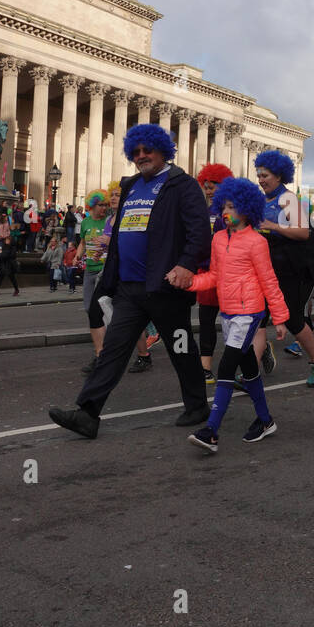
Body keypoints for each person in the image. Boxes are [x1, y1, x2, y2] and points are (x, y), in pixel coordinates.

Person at [47, 124, 211, 438]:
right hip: (129, 286)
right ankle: (87, 414)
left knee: (180, 347)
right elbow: (122, 231)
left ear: (163, 149)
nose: (141, 156)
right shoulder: (132, 185)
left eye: (147, 150)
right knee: (113, 349)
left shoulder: (182, 184)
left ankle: (197, 405)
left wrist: (187, 265)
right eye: (135, 151)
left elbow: (200, 232)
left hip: (165, 285)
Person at [186, 177, 290, 453]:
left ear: (246, 208)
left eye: (231, 206)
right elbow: (215, 276)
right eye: (224, 206)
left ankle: (211, 430)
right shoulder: (219, 239)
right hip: (228, 312)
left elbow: (269, 280)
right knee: (250, 369)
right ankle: (265, 421)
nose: (225, 212)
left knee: (226, 367)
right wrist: (191, 282)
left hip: (249, 312)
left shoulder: (257, 242)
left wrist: (279, 316)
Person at [252, 150, 314, 388]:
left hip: (293, 267)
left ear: (278, 175)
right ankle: (250, 372)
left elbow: (303, 232)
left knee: (293, 319)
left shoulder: (287, 199)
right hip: (267, 267)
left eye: (265, 175)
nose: (261, 179)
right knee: (257, 317)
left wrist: (272, 226)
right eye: (259, 175)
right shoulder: (261, 200)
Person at [194, 163, 233, 385]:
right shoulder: (202, 210)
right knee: (206, 321)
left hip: (228, 274)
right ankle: (205, 368)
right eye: (206, 186)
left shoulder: (231, 210)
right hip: (206, 272)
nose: (209, 190)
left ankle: (257, 349)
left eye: (213, 186)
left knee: (231, 323)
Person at [77, 188, 113, 374]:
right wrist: (77, 257)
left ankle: (102, 351)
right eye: (101, 205)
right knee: (88, 308)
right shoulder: (85, 222)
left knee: (99, 310)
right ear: (92, 205)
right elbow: (82, 243)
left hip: (104, 271)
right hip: (89, 271)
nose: (104, 208)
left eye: (106, 205)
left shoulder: (108, 222)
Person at [0, 231, 20, 296]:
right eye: (6, 240)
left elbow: (9, 255)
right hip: (4, 265)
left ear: (11, 241)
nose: (6, 241)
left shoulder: (12, 248)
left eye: (8, 240)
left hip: (10, 265)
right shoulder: (5, 246)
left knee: (11, 278)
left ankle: (16, 290)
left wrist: (2, 253)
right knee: (1, 277)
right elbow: (0, 256)